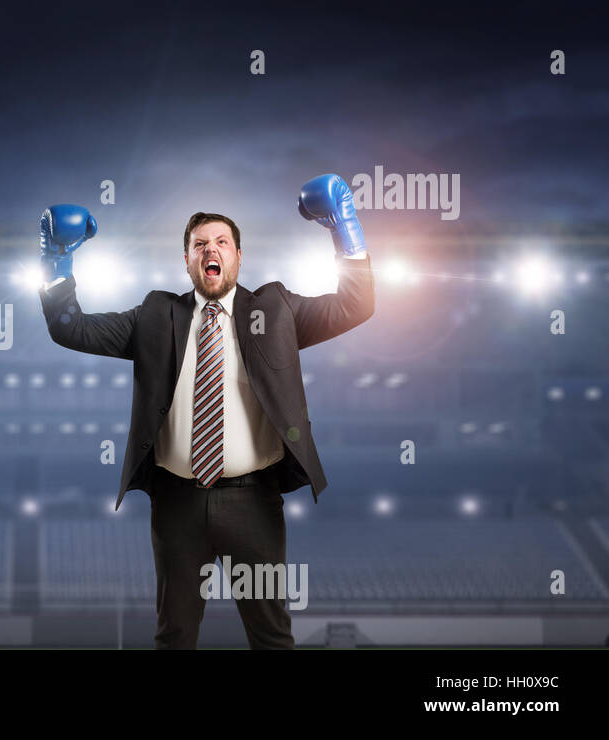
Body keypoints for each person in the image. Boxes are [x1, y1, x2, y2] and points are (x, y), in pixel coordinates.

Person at [37, 174, 375, 648]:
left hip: (254, 501)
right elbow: (72, 330)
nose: (210, 249)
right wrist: (54, 259)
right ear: (187, 261)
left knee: (272, 638)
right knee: (174, 636)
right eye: (199, 244)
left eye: (221, 242)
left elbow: (355, 305)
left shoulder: (275, 309)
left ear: (238, 256)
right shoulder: (155, 315)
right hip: (177, 503)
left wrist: (346, 227)